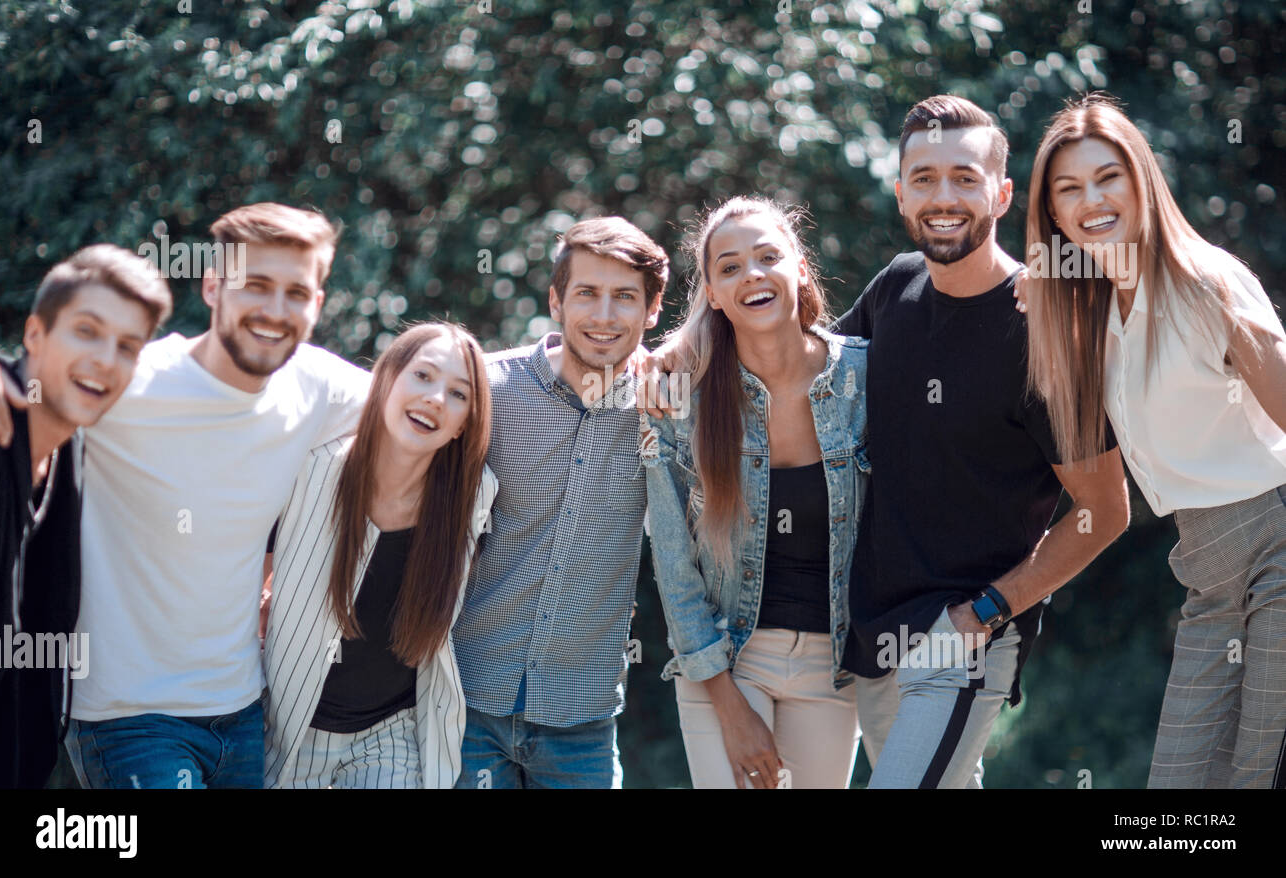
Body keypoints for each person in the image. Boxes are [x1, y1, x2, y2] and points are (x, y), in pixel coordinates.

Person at [0, 203, 371, 788]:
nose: (274, 309)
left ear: (317, 304)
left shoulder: (318, 385)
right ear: (213, 286)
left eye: (296, 292)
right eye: (256, 285)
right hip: (127, 716)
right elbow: (36, 380)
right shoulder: (131, 379)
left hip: (242, 710)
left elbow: (427, 396)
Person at [831, 95, 1130, 787]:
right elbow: (793, 372)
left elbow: (1104, 510)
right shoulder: (894, 288)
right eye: (925, 177)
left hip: (963, 641)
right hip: (871, 635)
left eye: (965, 178)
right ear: (901, 193)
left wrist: (987, 611)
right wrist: (675, 353)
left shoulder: (1043, 329)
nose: (944, 196)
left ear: (1000, 194)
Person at [1018, 94, 1286, 789]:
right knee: (1180, 789)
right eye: (1068, 189)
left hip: (1277, 544)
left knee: (1253, 774)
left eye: (1108, 177)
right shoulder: (1090, 310)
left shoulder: (1207, 286)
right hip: (1205, 573)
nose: (1092, 199)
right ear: (1052, 213)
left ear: (1142, 181)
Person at [640, 196, 869, 789]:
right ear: (713, 292)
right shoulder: (679, 398)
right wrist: (726, 702)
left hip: (833, 664)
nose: (753, 276)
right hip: (724, 660)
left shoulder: (863, 379)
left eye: (769, 256)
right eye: (730, 266)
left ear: (799, 267)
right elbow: (674, 564)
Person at [452, 216, 668, 788]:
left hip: (584, 719)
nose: (603, 315)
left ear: (652, 312)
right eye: (587, 294)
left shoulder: (668, 407)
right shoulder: (488, 390)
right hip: (467, 702)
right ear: (556, 300)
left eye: (625, 297)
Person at [263, 322, 495, 788]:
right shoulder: (310, 469)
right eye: (423, 376)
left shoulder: (471, 500)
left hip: (389, 736)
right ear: (386, 379)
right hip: (284, 731)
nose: (435, 399)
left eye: (457, 394)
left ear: (462, 426)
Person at [0, 245, 171, 788]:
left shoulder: (77, 454)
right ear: (35, 335)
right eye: (86, 331)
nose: (105, 360)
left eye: (126, 347)